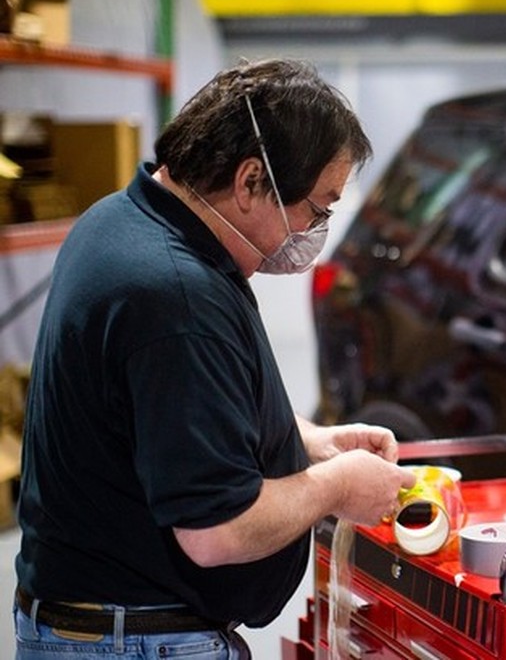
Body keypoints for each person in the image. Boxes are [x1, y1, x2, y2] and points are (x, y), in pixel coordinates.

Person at [13, 58, 417, 659]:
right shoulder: (176, 294)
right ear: (252, 180)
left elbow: (169, 414)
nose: (313, 229)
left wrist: (306, 441)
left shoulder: (122, 221)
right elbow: (216, 529)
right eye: (316, 207)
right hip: (136, 641)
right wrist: (336, 486)